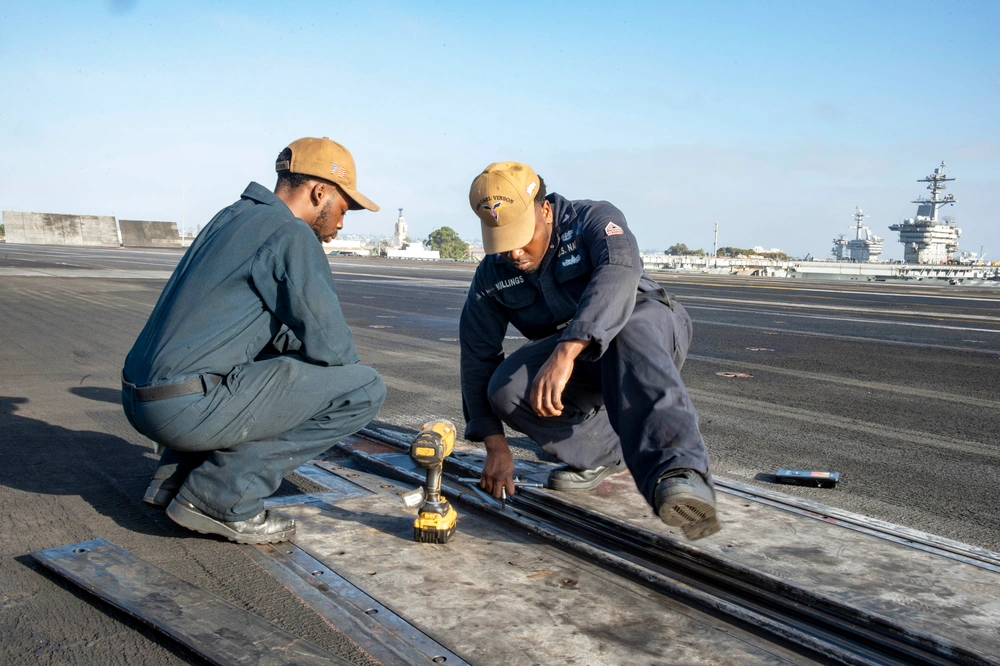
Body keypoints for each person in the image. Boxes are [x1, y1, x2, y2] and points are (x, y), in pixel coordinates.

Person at [121, 137, 386, 544]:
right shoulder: (291, 234)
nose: (341, 224)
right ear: (320, 192)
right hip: (185, 409)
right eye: (343, 209)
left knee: (262, 351)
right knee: (363, 387)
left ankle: (174, 478)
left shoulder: (231, 217)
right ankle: (222, 496)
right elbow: (334, 351)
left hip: (142, 399)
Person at [460, 162, 721, 540]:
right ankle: (604, 453)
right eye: (502, 242)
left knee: (628, 329)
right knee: (506, 388)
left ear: (545, 210)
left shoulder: (593, 219)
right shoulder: (493, 272)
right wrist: (495, 444)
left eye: (522, 235)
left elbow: (619, 271)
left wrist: (567, 350)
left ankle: (679, 474)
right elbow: (477, 355)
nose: (514, 252)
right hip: (581, 363)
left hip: (648, 330)